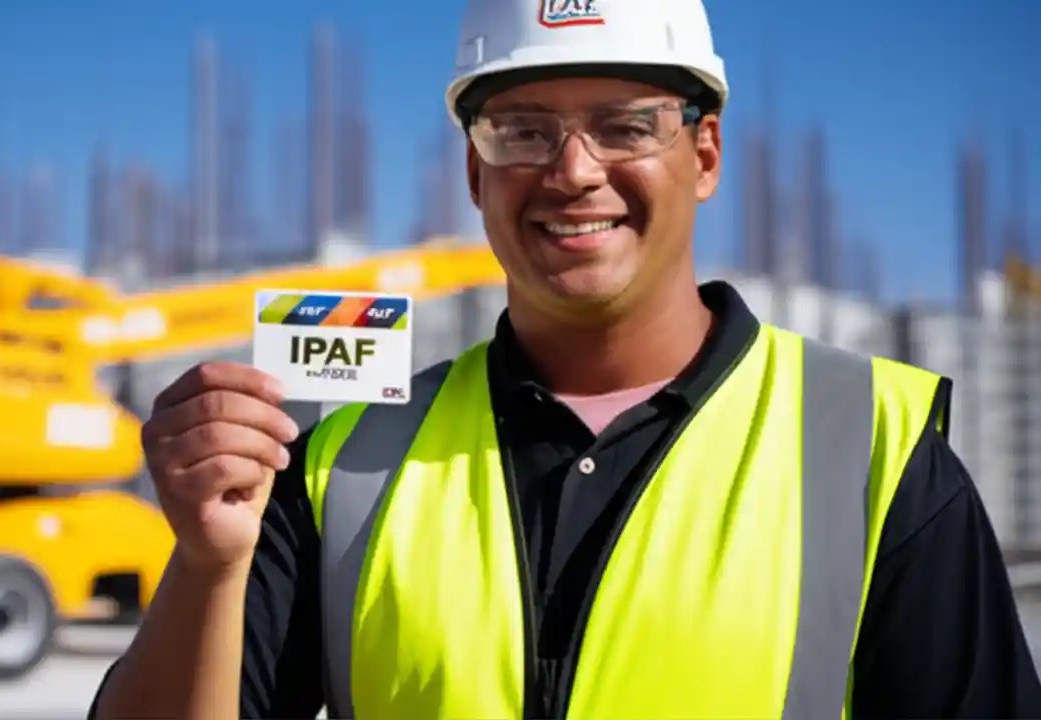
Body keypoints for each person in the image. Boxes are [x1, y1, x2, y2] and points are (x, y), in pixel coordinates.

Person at [91, 0, 1041, 717]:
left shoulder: (872, 453)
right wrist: (208, 568)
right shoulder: (343, 467)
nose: (574, 171)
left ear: (706, 155)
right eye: (524, 131)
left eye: (626, 125)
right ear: (477, 172)